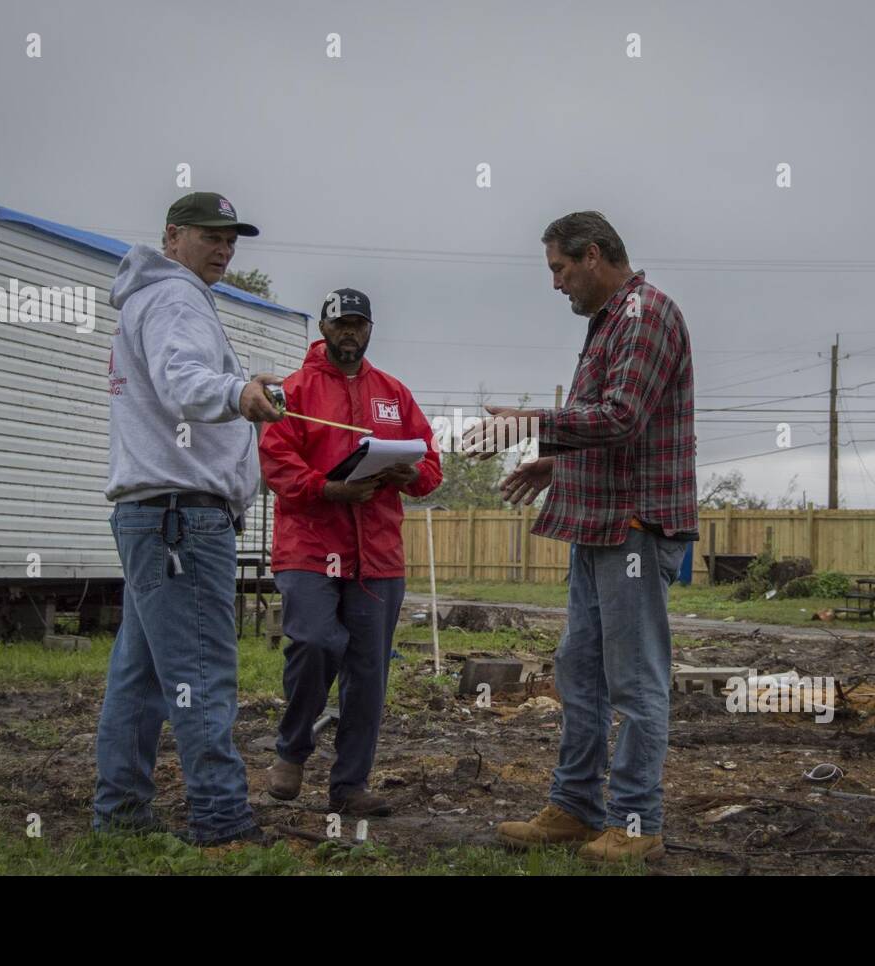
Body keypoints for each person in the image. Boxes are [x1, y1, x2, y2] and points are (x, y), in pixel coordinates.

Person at [465, 211, 698, 862]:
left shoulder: (644, 315)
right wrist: (554, 460)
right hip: (597, 522)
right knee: (580, 670)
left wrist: (529, 425)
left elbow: (623, 417)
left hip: (634, 526)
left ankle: (636, 821)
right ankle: (574, 809)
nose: (557, 284)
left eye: (560, 270)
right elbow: (611, 426)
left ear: (593, 255)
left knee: (634, 678)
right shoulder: (609, 322)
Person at [95, 192, 285, 846]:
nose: (225, 247)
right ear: (172, 236)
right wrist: (237, 392)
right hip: (181, 520)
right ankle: (223, 821)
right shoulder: (176, 299)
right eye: (211, 235)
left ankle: (119, 814)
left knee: (140, 675)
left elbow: (176, 378)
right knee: (202, 672)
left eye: (232, 238)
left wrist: (237, 383)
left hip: (152, 516)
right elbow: (183, 382)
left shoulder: (150, 300)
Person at [259, 288, 442, 816]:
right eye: (341, 324)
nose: (350, 333)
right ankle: (292, 750)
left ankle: (350, 787)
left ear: (370, 329)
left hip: (378, 557)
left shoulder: (394, 393)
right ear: (323, 327)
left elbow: (430, 467)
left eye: (359, 324)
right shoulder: (293, 392)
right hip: (311, 549)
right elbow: (276, 463)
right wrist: (328, 489)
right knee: (316, 642)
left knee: (368, 673)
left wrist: (411, 473)